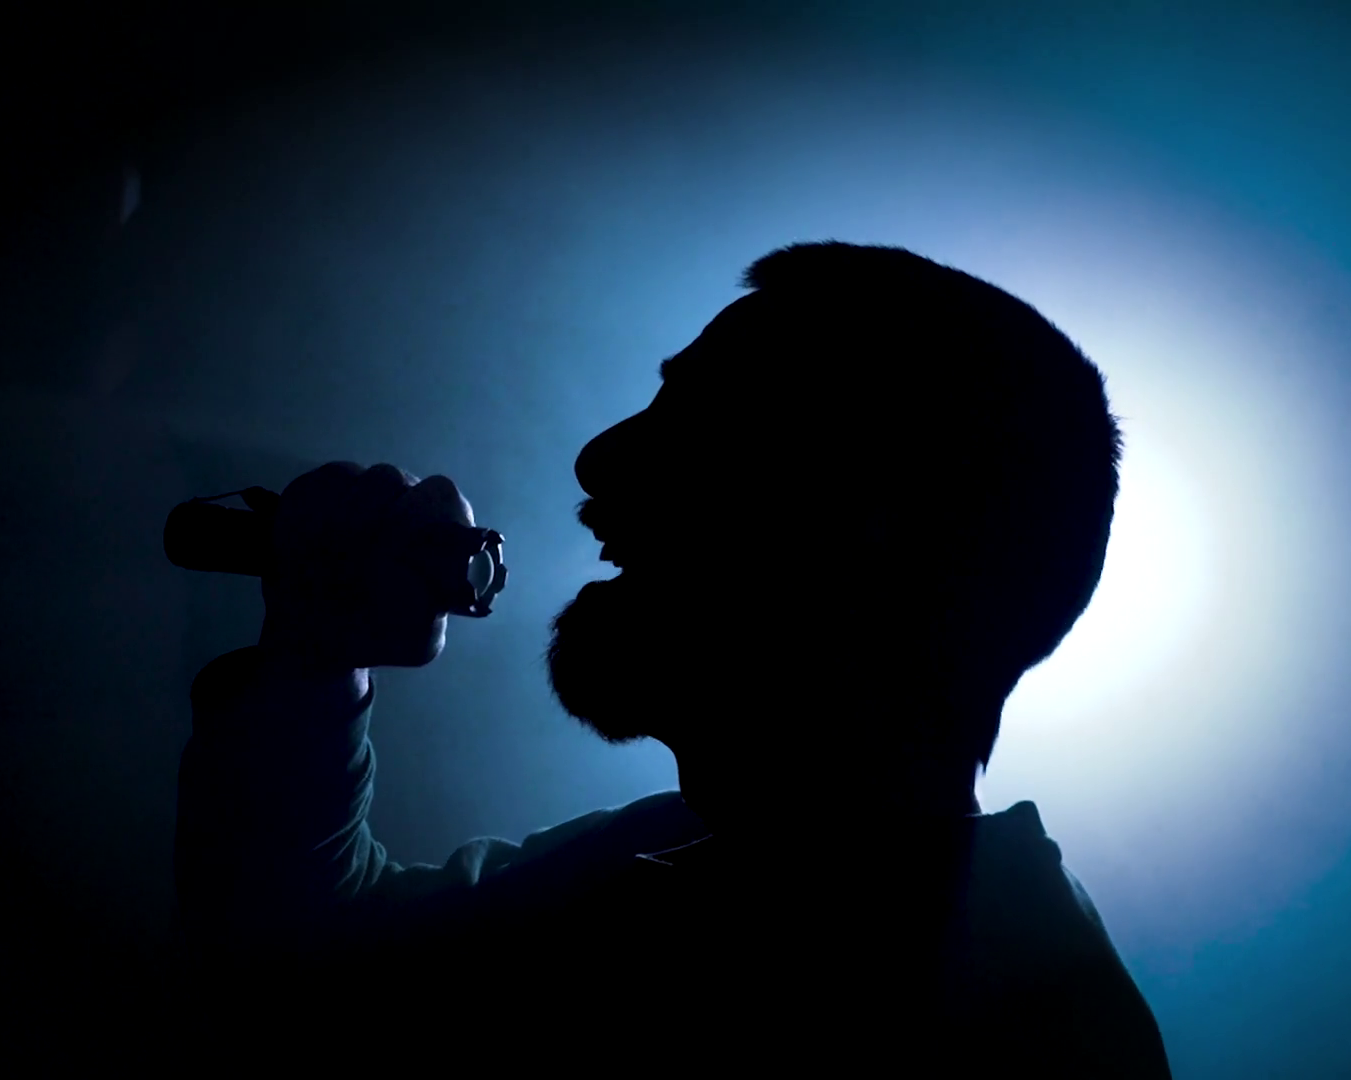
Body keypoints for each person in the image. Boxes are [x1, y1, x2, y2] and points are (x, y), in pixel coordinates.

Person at [174, 241, 1172, 1073]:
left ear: (873, 524)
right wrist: (317, 653)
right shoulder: (678, 862)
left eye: (700, 421)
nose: (598, 461)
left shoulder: (1029, 1024)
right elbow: (302, 974)